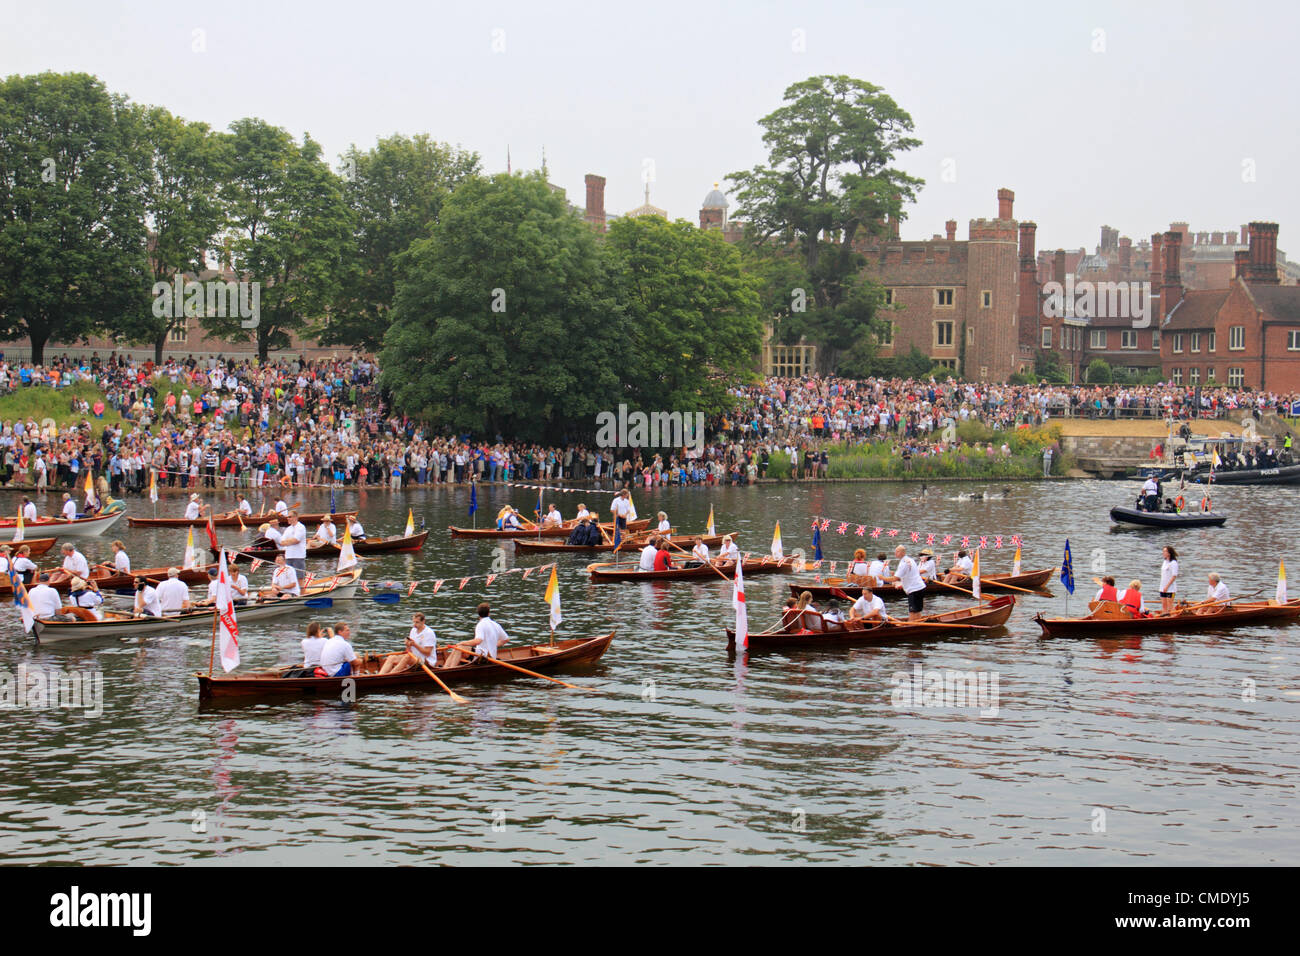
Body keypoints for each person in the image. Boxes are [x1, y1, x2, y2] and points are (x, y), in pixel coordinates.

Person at [890, 545, 927, 621]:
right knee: (917, 610)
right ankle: (918, 624)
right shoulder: (910, 560)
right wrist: (901, 583)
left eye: (897, 551)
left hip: (914, 589)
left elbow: (895, 578)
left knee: (913, 611)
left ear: (902, 552)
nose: (895, 553)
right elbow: (909, 574)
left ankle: (912, 625)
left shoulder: (904, 563)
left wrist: (882, 578)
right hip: (920, 587)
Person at [1159, 545, 1179, 615]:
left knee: (1170, 605)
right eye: (1163, 551)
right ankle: (1164, 616)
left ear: (1169, 553)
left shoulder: (1173, 563)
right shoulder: (1165, 562)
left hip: (1170, 588)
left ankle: (1173, 616)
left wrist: (1167, 586)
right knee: (1164, 605)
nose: (1163, 553)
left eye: (1165, 551)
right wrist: (1163, 587)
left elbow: (1174, 576)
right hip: (1162, 586)